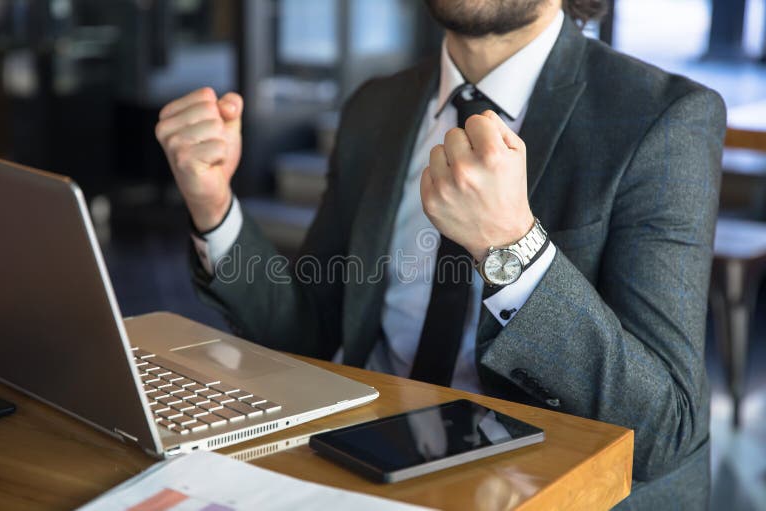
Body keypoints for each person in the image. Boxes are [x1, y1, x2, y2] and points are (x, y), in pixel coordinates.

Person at [155, 0, 725, 508]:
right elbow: (307, 332)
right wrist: (214, 207)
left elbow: (663, 430)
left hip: (544, 482)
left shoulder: (663, 118)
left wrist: (513, 249)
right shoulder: (376, 107)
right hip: (361, 457)